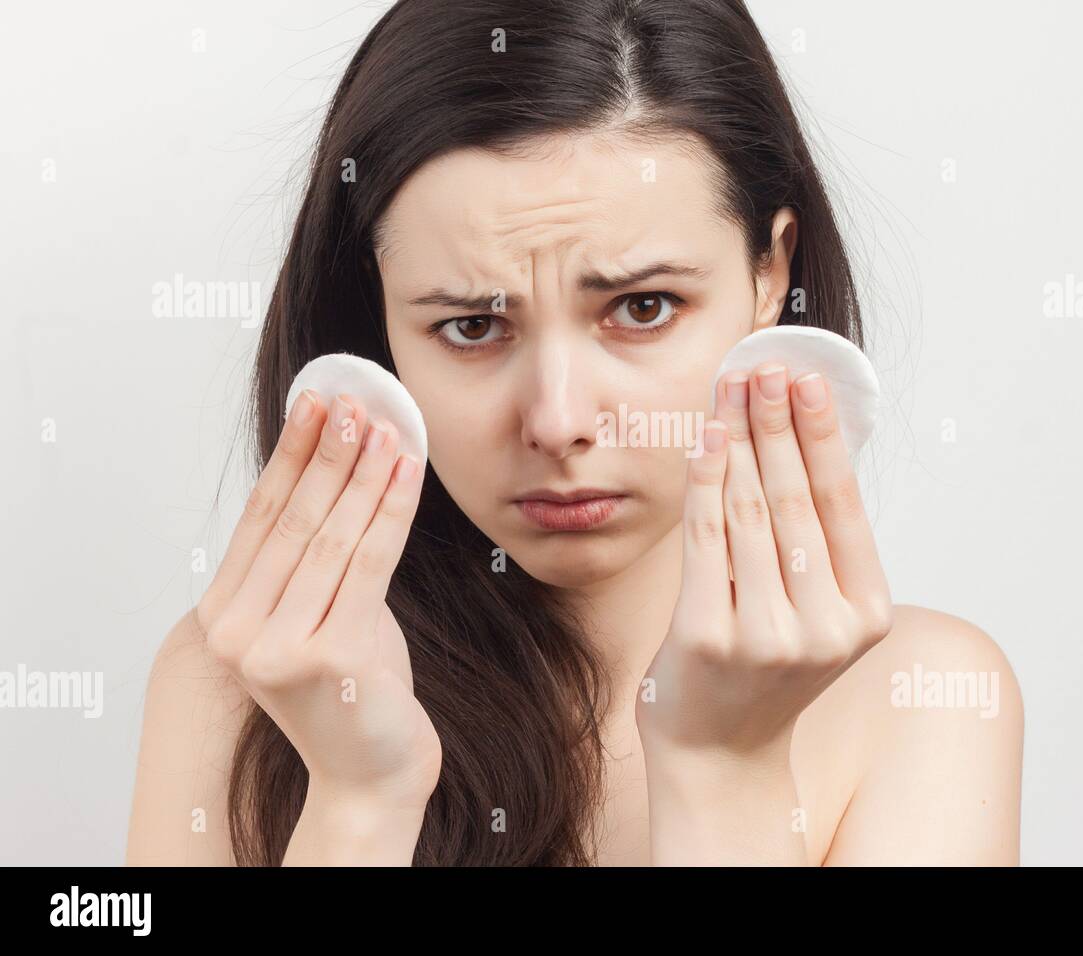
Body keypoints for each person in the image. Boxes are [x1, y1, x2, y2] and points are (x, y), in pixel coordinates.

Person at [126, 0, 1023, 866]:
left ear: (768, 275)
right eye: (473, 326)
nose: (559, 422)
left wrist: (724, 774)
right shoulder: (240, 689)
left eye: (643, 307)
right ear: (380, 325)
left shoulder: (931, 700)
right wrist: (360, 802)